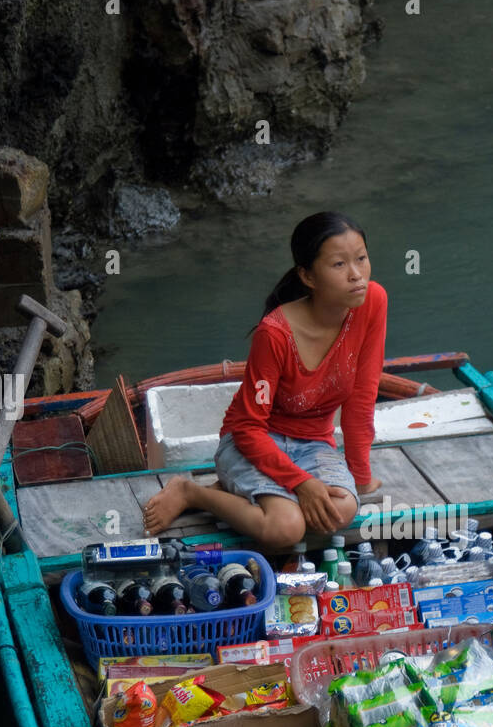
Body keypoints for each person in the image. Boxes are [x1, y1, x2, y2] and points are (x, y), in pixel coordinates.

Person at [142, 211, 386, 550]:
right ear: (308, 276)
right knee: (285, 528)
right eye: (339, 265)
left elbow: (362, 394)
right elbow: (247, 428)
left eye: (361, 258)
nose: (357, 275)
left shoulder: (372, 302)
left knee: (340, 510)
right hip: (252, 443)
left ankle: (238, 490)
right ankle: (191, 492)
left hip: (313, 444)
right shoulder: (274, 334)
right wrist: (301, 484)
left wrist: (359, 478)